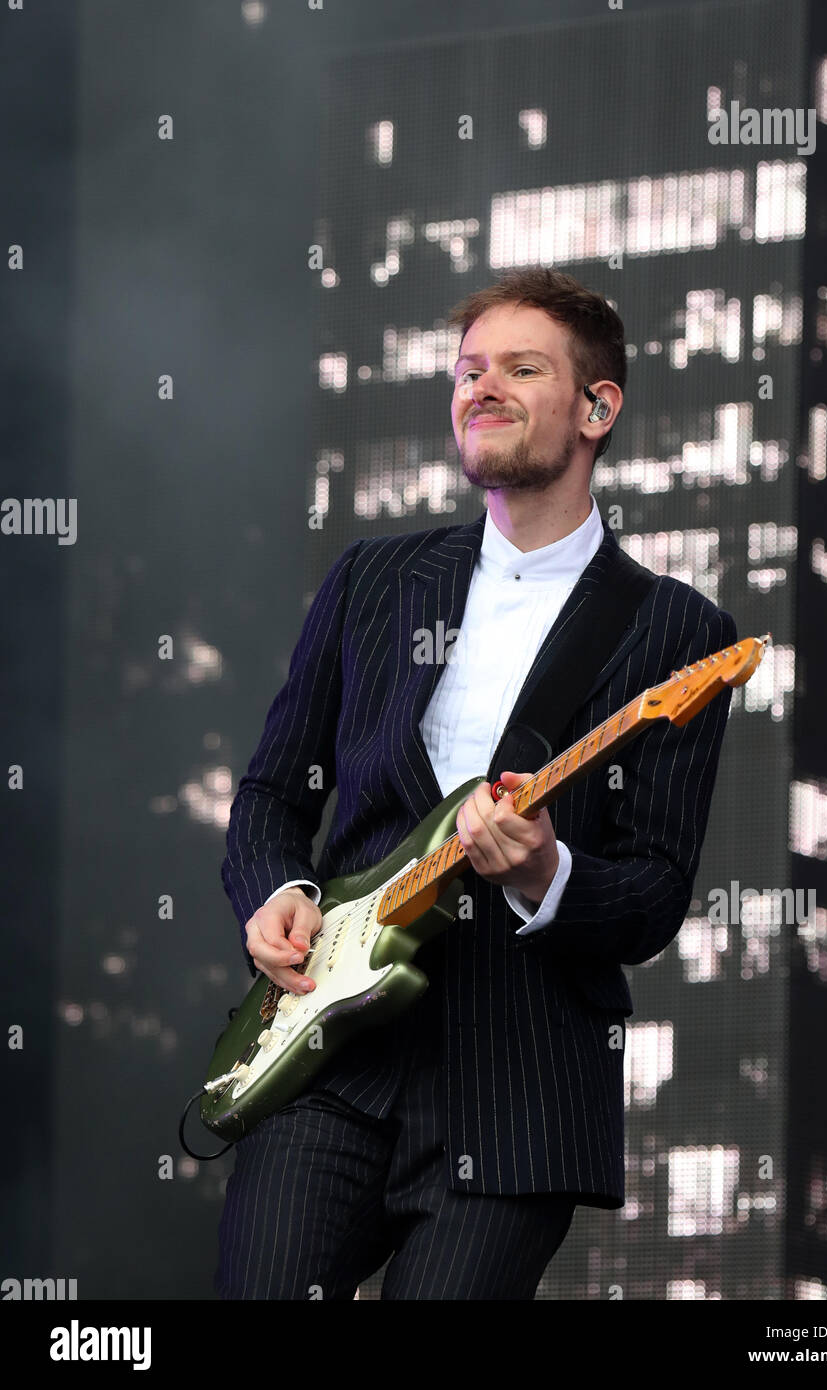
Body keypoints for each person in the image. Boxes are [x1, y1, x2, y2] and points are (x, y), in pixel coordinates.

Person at [215, 267, 737, 1300]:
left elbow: (655, 891)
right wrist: (282, 892)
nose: (480, 387)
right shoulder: (373, 579)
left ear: (598, 407)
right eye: (467, 370)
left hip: (518, 1094)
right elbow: (274, 793)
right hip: (333, 1058)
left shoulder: (677, 632)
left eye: (520, 368)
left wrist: (547, 871)